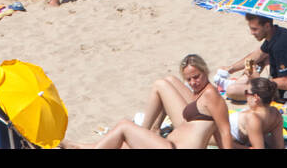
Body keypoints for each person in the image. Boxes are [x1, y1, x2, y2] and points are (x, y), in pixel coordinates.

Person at [83, 54, 233, 150]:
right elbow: (216, 131)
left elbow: (224, 130)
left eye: (196, 76)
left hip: (175, 147)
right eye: (189, 79)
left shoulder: (210, 94)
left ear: (205, 71)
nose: (193, 82)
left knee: (124, 126)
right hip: (171, 144)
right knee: (123, 144)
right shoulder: (200, 93)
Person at [223, 14, 287, 106]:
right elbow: (256, 56)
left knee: (231, 91)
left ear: (267, 26)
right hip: (278, 80)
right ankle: (242, 81)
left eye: (255, 29)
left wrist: (259, 79)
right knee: (255, 60)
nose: (251, 33)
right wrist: (230, 69)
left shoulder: (280, 48)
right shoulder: (277, 33)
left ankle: (242, 83)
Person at [229, 77, 286, 149]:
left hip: (224, 132)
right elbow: (279, 146)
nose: (245, 96)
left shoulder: (253, 118)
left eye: (247, 93)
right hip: (224, 129)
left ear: (255, 97)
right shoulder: (276, 114)